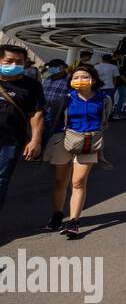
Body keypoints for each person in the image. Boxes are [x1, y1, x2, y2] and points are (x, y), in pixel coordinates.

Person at [43, 64, 113, 237]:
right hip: (63, 139)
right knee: (60, 182)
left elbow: (105, 120)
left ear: (93, 80)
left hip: (88, 142)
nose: (79, 80)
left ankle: (74, 221)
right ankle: (57, 214)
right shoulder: (65, 99)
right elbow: (51, 119)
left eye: (84, 77)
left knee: (78, 182)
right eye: (75, 77)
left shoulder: (104, 99)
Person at [0, 44, 45, 214]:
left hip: (10, 142)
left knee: (1, 181)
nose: (13, 65)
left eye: (18, 62)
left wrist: (35, 140)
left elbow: (37, 114)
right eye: (9, 61)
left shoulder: (32, 85)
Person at [41, 59, 70, 144]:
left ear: (63, 67)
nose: (51, 68)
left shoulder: (69, 81)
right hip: (43, 111)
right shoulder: (47, 78)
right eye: (50, 67)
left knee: (50, 135)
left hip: (57, 114)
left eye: (55, 66)